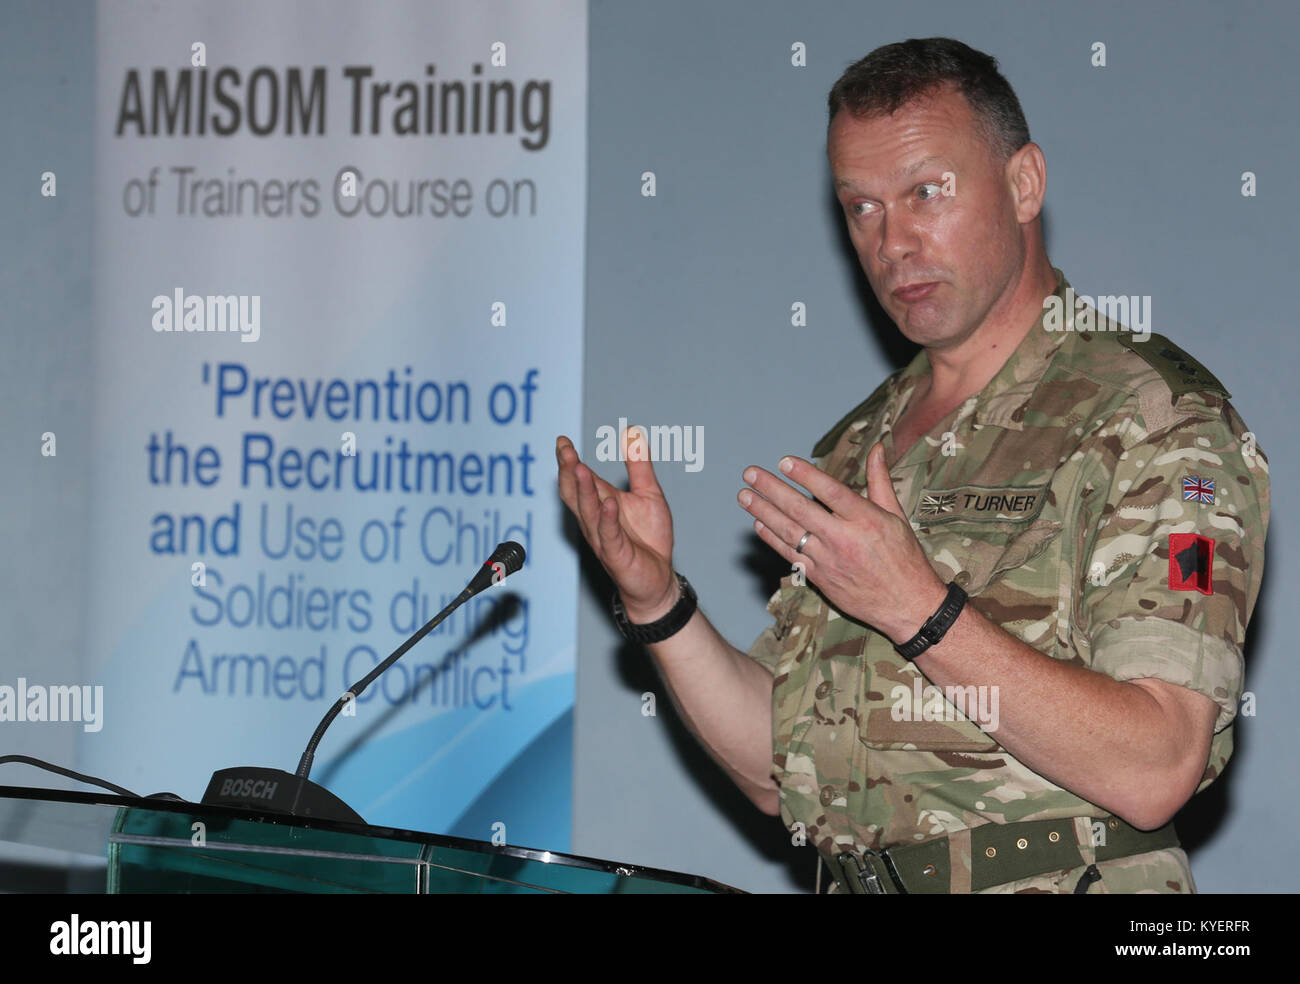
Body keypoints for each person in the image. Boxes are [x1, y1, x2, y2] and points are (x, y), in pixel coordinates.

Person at [555, 37, 1269, 894]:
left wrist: (918, 609)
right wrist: (658, 604)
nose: (892, 241)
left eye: (926, 192)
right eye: (860, 207)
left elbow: (1156, 765)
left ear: (1023, 184)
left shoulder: (1153, 419)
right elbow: (779, 769)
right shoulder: (858, 445)